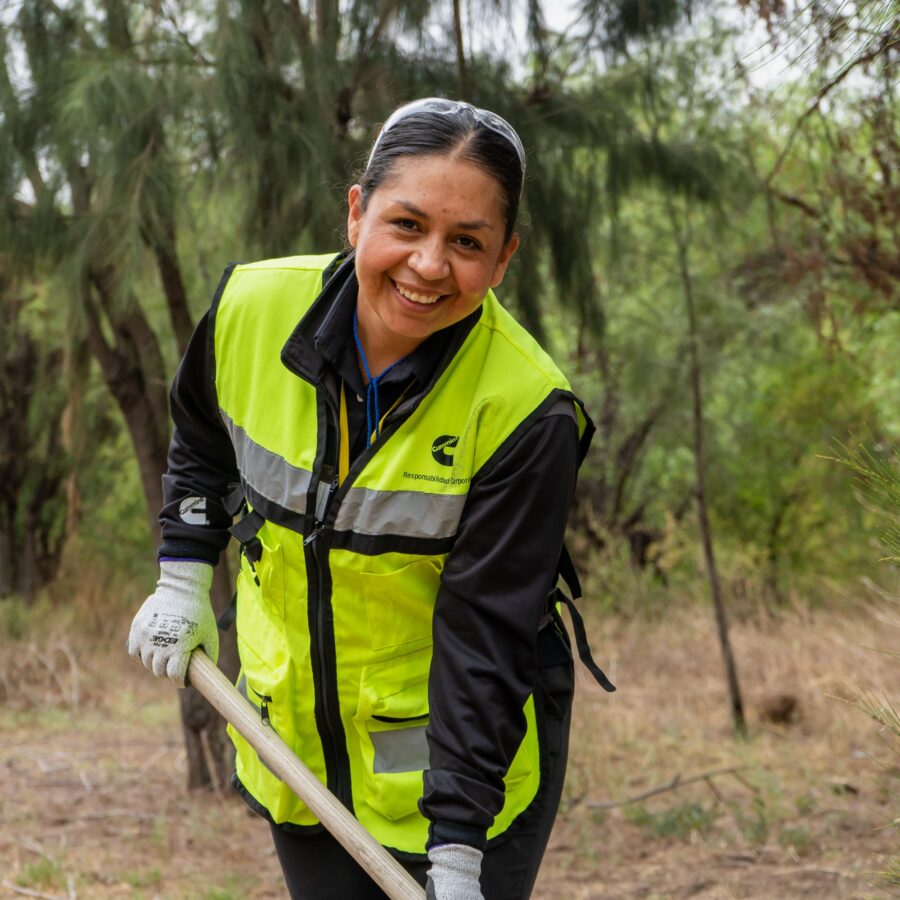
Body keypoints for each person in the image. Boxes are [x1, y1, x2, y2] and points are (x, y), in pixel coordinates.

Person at [128, 97, 612, 900]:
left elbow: (485, 641)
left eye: (467, 243)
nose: (429, 265)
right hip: (296, 753)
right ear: (356, 214)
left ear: (503, 259)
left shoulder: (527, 409)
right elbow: (202, 438)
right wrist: (182, 578)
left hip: (463, 778)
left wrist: (458, 856)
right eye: (407, 225)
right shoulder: (251, 309)